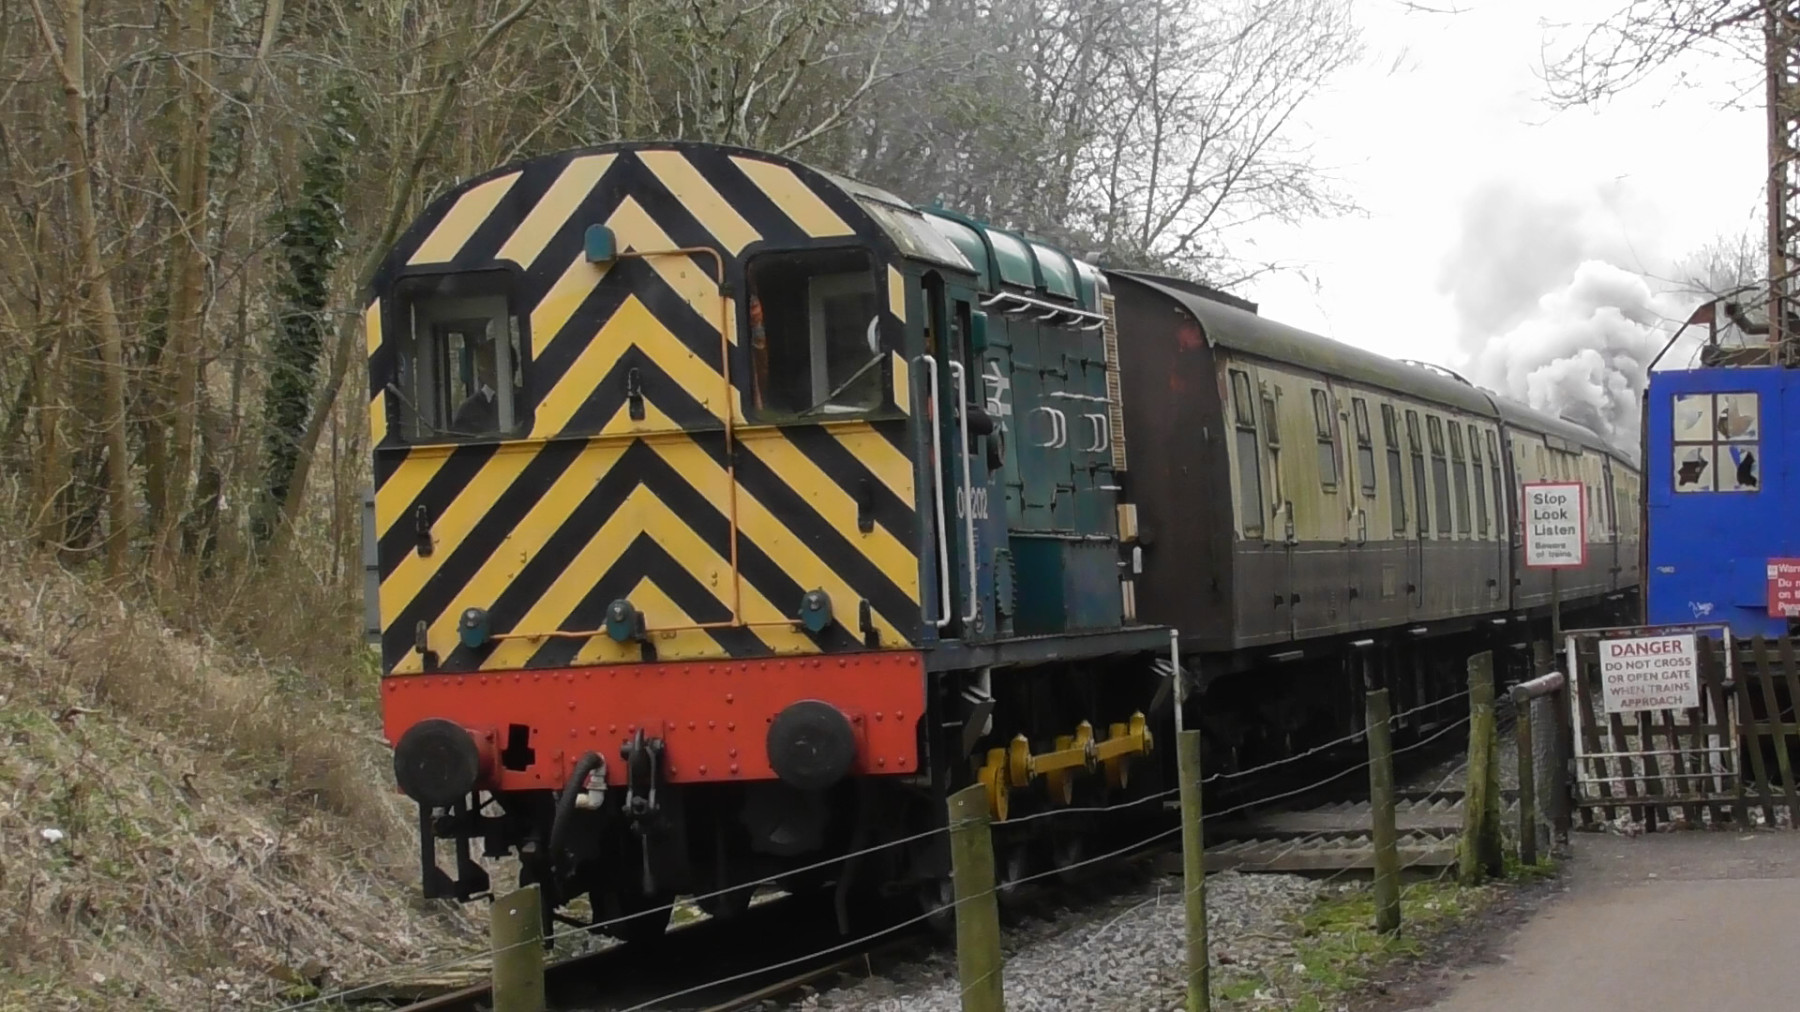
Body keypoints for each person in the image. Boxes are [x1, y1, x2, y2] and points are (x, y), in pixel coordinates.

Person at [449, 331, 500, 435]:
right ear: (479, 371)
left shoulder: (530, 402)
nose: (495, 371)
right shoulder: (468, 410)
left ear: (515, 367)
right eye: (488, 365)